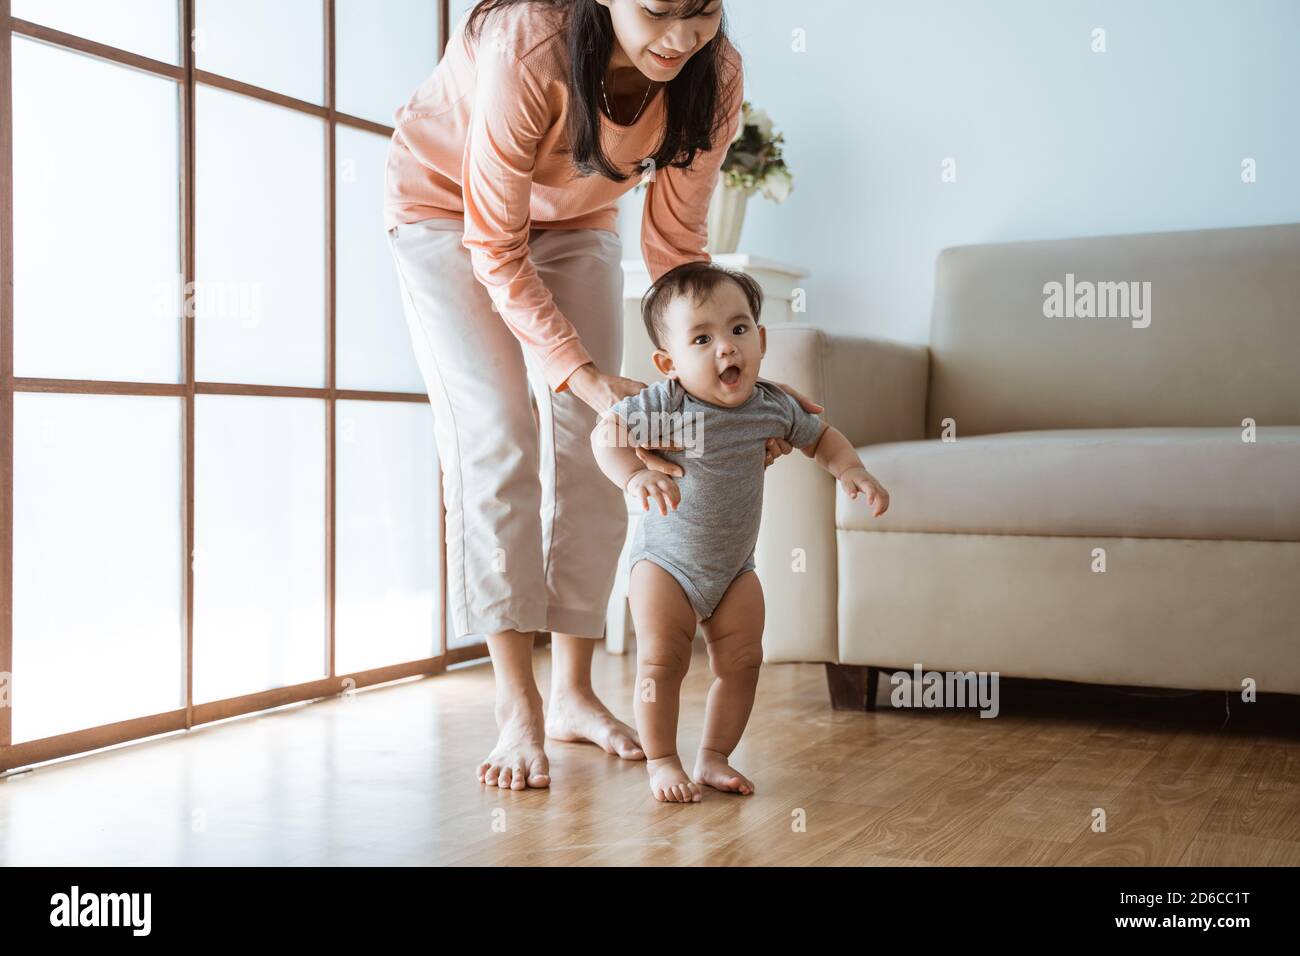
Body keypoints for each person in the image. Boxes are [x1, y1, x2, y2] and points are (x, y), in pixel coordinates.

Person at [383, 0, 822, 790]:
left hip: (577, 219)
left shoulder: (713, 72)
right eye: (658, 11)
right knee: (496, 439)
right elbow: (494, 242)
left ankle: (572, 694)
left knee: (611, 442)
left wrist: (722, 385)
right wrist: (581, 375)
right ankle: (516, 707)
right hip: (448, 211)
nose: (681, 38)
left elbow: (676, 251)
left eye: (704, 13)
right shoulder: (530, 45)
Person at [592, 262, 890, 802]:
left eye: (738, 329)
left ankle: (713, 756)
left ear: (761, 338)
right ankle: (661, 759)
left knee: (745, 660)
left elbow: (823, 438)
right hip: (665, 564)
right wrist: (633, 474)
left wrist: (852, 470)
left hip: (735, 570)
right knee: (663, 662)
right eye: (701, 339)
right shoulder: (669, 405)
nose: (726, 347)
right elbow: (607, 432)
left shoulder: (770, 407)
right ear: (669, 363)